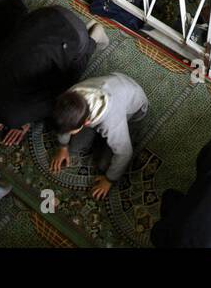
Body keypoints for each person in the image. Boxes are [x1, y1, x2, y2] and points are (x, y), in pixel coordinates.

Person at [0, 7, 102, 145]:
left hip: (71, 32)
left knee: (67, 82)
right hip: (43, 15)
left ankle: (92, 41)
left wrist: (22, 121)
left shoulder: (13, 117)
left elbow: (58, 100)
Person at [51, 72, 149, 200]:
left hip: (134, 108)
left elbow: (125, 153)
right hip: (114, 85)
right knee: (74, 147)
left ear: (86, 122)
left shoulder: (112, 123)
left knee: (104, 165)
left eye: (70, 130)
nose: (66, 133)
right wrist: (63, 147)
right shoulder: (70, 96)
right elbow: (63, 123)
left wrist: (109, 180)